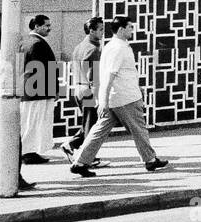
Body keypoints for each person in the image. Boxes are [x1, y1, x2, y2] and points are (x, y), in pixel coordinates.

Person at [71, 16, 168, 177]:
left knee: (99, 131)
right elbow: (110, 74)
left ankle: (80, 162)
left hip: (114, 98)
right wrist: (103, 99)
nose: (132, 30)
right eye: (130, 27)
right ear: (121, 29)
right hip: (125, 97)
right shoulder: (119, 48)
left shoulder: (110, 46)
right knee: (139, 128)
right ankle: (150, 160)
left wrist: (104, 99)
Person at [62, 17, 105, 164]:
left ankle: (72, 145)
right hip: (89, 89)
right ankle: (87, 157)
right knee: (91, 126)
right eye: (100, 29)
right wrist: (98, 96)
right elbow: (95, 75)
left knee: (89, 122)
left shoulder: (79, 46)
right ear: (91, 30)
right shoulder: (94, 49)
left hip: (78, 87)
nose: (102, 32)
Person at [19, 15, 58, 164]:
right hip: (38, 91)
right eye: (46, 25)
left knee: (30, 122)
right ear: (36, 26)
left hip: (28, 90)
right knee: (34, 123)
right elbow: (46, 69)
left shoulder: (24, 42)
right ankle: (28, 153)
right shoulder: (37, 43)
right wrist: (54, 90)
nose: (49, 28)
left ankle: (29, 151)